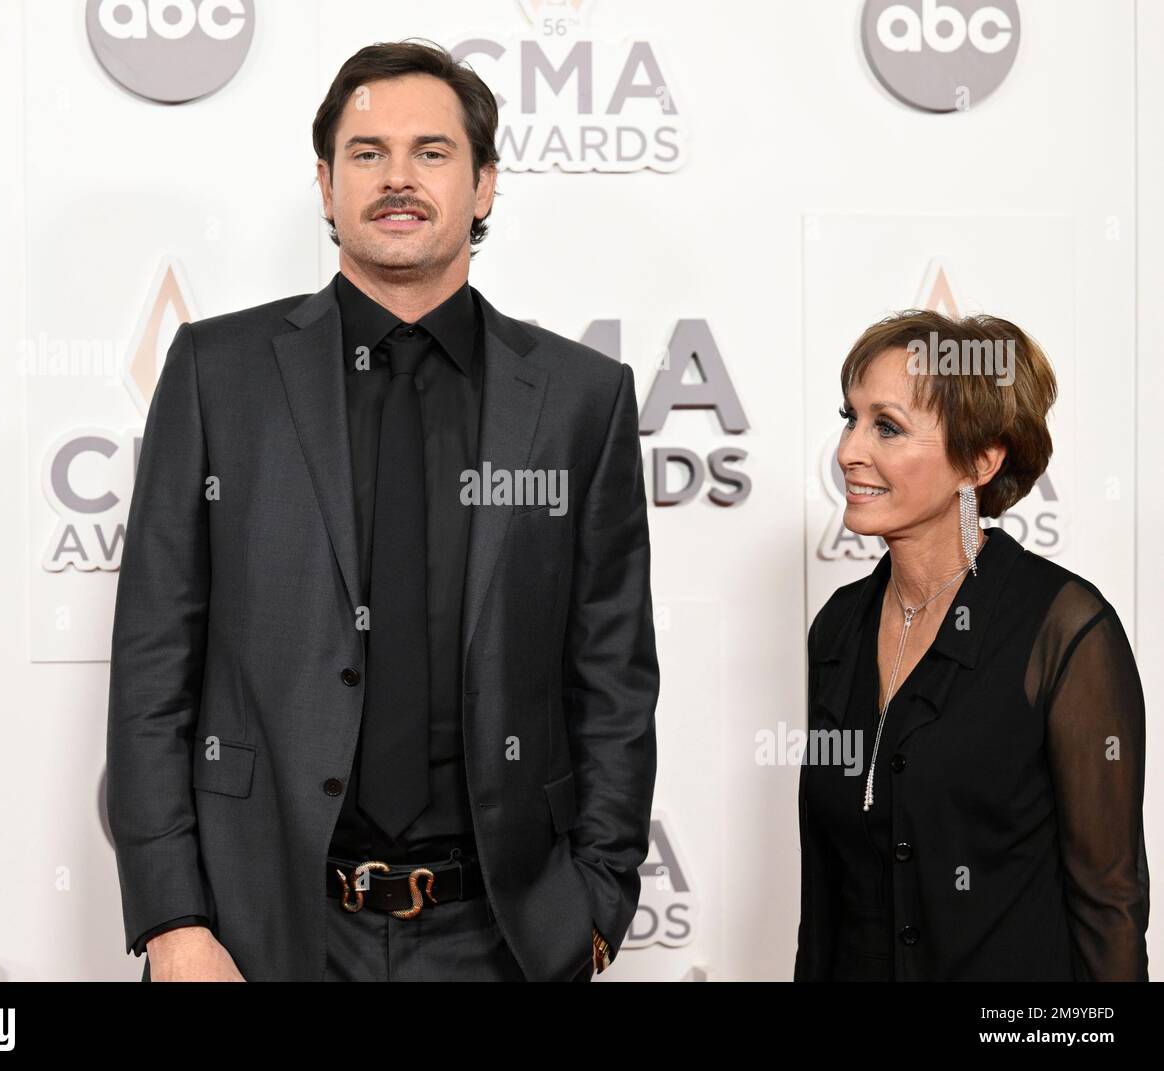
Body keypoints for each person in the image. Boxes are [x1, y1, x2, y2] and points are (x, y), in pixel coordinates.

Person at [106, 39, 659, 982]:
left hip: (503, 933)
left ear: (485, 184)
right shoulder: (217, 373)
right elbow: (155, 655)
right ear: (325, 185)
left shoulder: (580, 396)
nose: (398, 177)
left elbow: (611, 668)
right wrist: (173, 920)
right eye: (367, 154)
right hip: (262, 925)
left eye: (433, 153)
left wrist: (596, 904)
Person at [796, 309, 1148, 981]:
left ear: (979, 461)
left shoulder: (1064, 629)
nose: (847, 451)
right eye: (851, 417)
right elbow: (824, 899)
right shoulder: (838, 626)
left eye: (887, 426)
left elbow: (1110, 902)